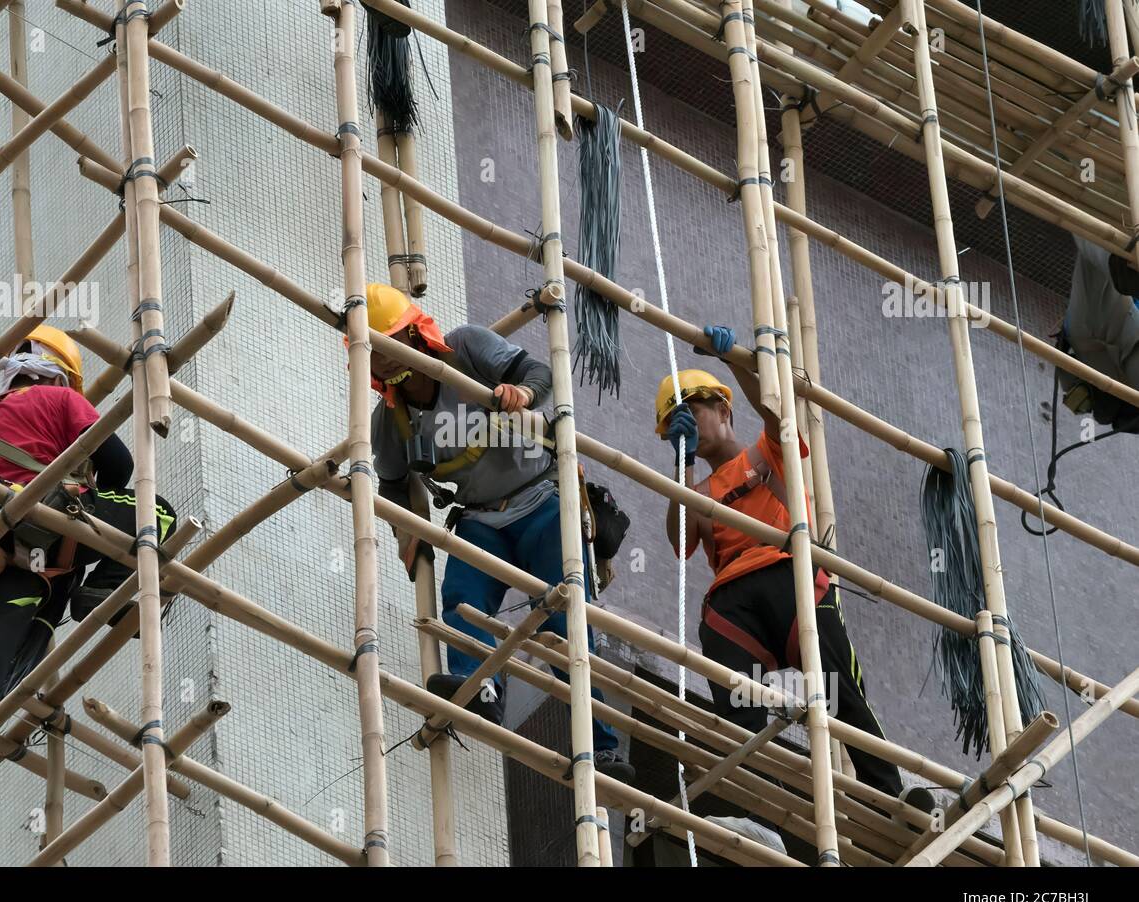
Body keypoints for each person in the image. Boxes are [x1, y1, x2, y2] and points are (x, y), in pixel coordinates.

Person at [657, 325, 933, 854]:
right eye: (676, 418)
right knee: (739, 707)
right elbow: (679, 543)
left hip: (791, 574)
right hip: (734, 601)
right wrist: (681, 460)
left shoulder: (765, 450)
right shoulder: (693, 490)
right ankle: (752, 811)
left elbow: (780, 416)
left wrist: (735, 359)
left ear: (725, 407)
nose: (689, 419)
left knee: (841, 692)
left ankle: (890, 798)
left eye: (696, 406)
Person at [362, 283, 636, 784]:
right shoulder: (392, 418)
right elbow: (394, 486)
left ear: (414, 334)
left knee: (564, 628)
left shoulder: (466, 348)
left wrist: (524, 394)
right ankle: (478, 691)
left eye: (389, 342)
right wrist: (409, 536)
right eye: (374, 352)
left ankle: (602, 744)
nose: (384, 358)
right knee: (462, 600)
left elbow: (542, 374)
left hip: (540, 501)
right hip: (480, 518)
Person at [0, 325, 175, 780]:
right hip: (51, 524)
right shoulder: (59, 400)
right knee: (157, 512)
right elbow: (120, 466)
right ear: (59, 375)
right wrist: (91, 505)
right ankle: (102, 590)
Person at [1058, 236, 1139, 431]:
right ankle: (1121, 261)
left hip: (1100, 340)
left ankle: (1122, 261)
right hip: (1103, 329)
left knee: (1093, 233)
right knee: (1094, 232)